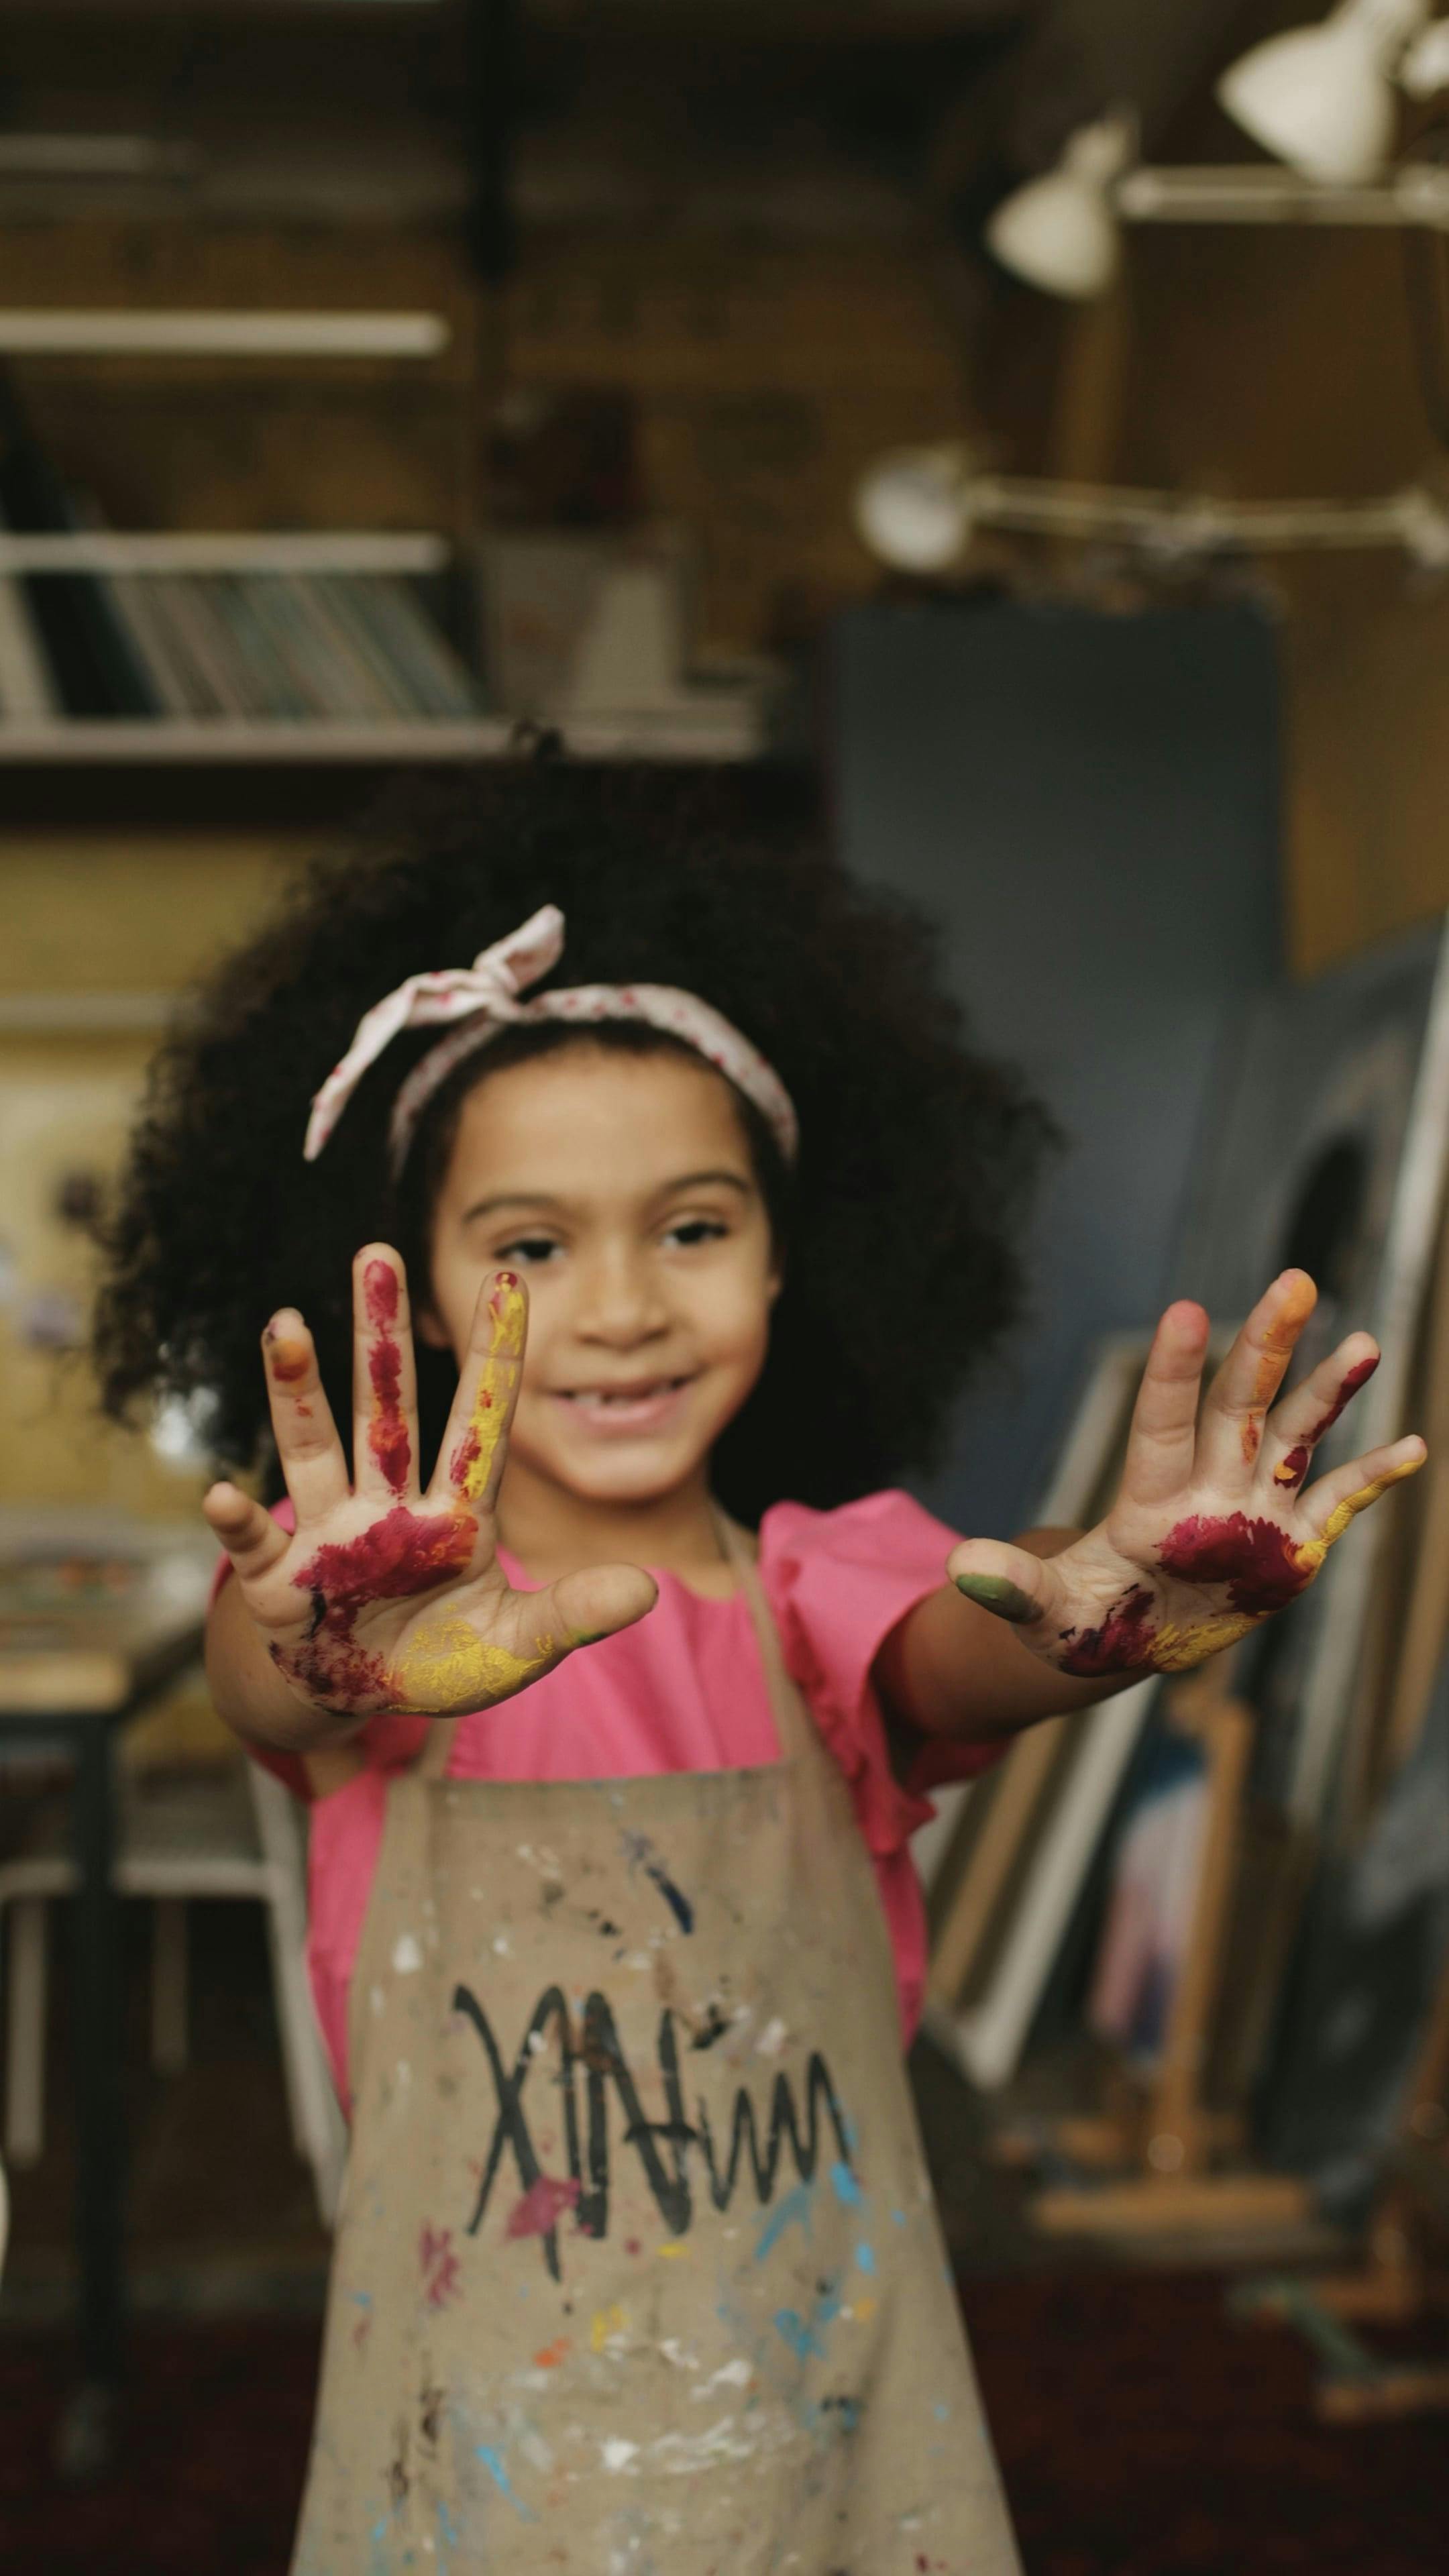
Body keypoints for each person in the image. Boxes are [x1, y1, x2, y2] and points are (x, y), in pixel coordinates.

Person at [96, 763, 1421, 2571]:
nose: (625, 1305)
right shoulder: (370, 1660)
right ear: (401, 1277)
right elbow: (267, 1699)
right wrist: (318, 1650)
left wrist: (1104, 1601)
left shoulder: (816, 1589)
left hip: (816, 2404)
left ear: (799, 1262)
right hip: (477, 2437)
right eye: (532, 1248)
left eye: (695, 1227)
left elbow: (971, 1642)